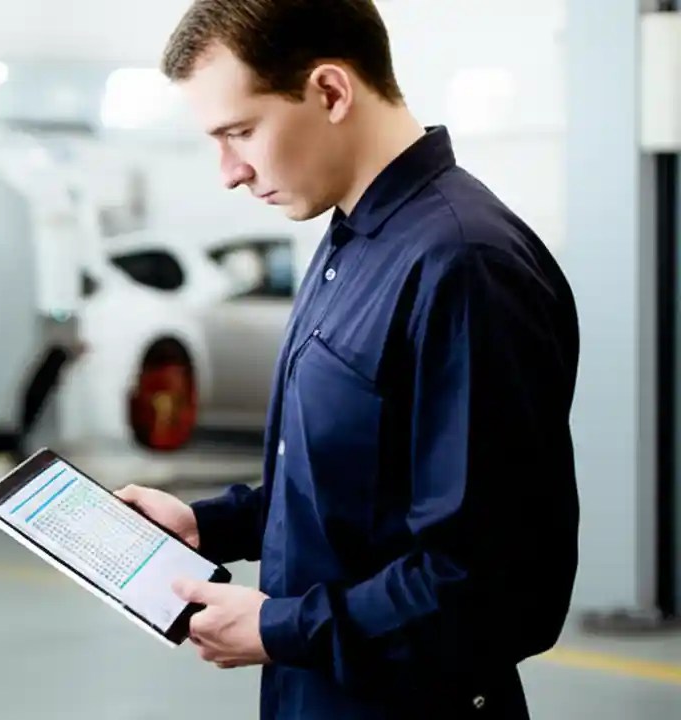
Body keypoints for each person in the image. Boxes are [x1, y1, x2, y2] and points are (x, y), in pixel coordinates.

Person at [115, 1, 581, 718]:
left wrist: (281, 627)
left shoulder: (463, 264)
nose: (230, 172)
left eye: (240, 132)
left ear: (331, 91)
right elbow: (355, 486)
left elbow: (487, 587)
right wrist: (210, 526)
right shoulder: (350, 240)